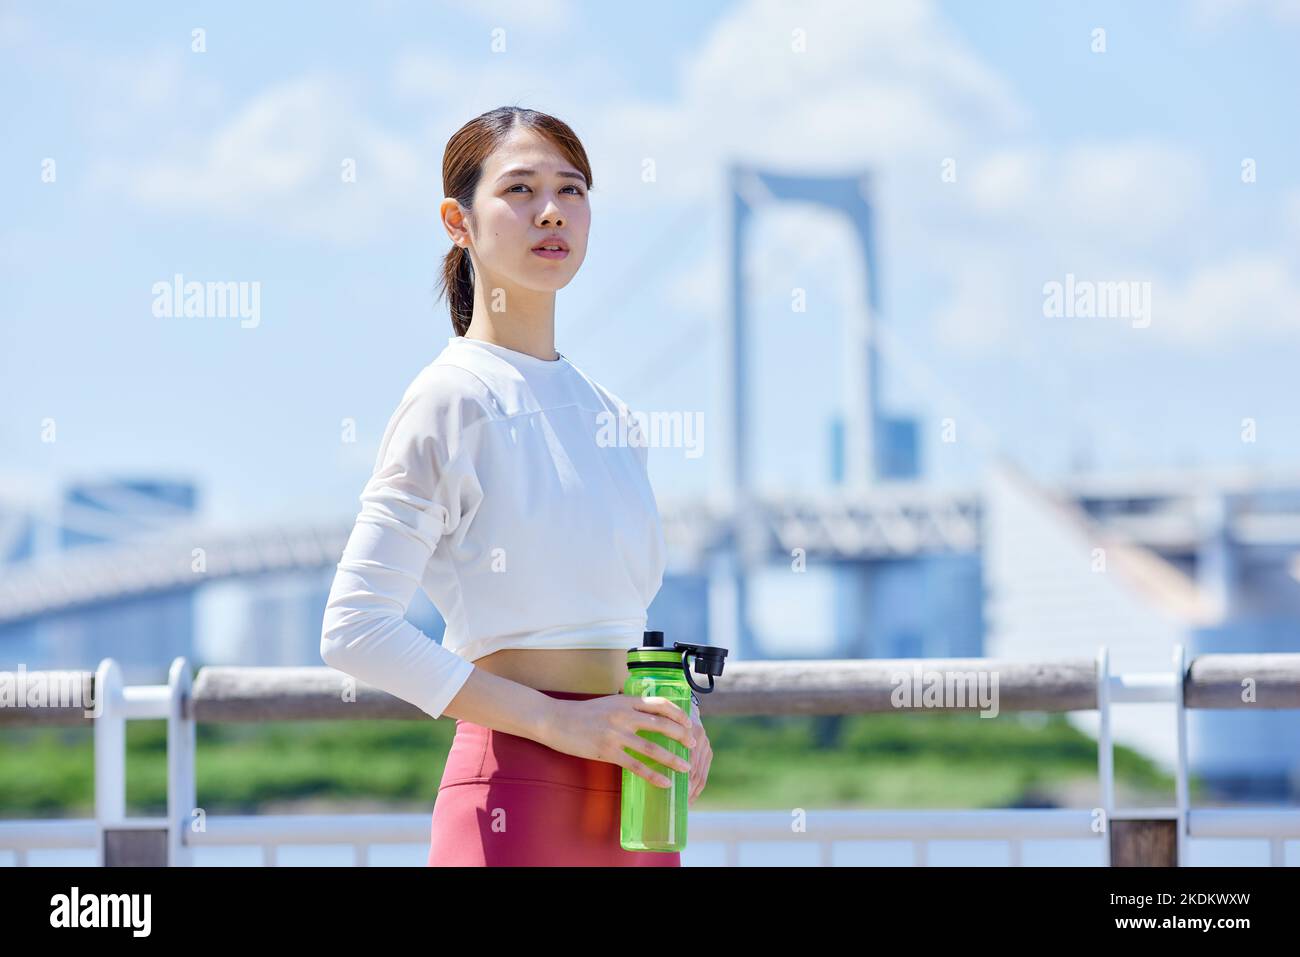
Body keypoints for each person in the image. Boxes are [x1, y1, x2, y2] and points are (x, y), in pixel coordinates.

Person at [320, 106, 713, 866]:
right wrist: (561, 724)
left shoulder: (613, 417)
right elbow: (354, 628)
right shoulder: (452, 399)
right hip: (516, 791)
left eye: (572, 189)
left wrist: (681, 712)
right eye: (520, 189)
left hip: (637, 796)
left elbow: (605, 615)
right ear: (457, 221)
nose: (551, 211)